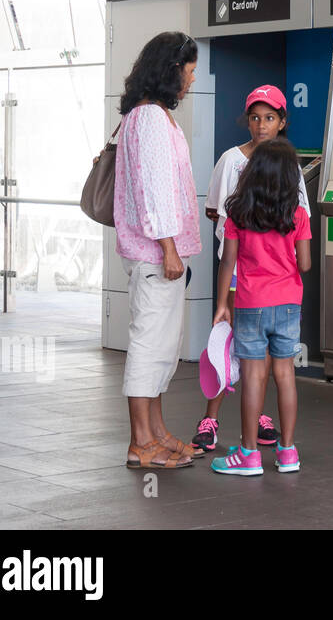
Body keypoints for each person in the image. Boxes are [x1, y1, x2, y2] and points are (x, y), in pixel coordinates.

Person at [193, 85, 310, 452]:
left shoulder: (285, 166)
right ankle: (213, 418)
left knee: (254, 359)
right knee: (228, 350)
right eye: (255, 118)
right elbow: (215, 209)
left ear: (282, 122)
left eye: (269, 118)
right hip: (252, 282)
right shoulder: (231, 159)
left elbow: (224, 215)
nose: (261, 125)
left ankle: (253, 430)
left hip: (251, 285)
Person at [114, 31, 204, 469]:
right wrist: (168, 247)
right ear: (171, 70)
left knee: (162, 346)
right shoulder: (149, 118)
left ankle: (157, 432)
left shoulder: (148, 114)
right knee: (149, 346)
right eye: (187, 72)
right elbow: (154, 189)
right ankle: (140, 443)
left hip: (160, 252)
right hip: (155, 253)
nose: (190, 80)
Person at [210, 138, 312, 476]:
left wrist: (222, 304)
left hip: (250, 303)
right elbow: (306, 263)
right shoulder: (297, 215)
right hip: (288, 304)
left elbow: (228, 262)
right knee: (285, 375)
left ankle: (249, 455)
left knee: (253, 377)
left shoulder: (238, 212)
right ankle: (288, 453)